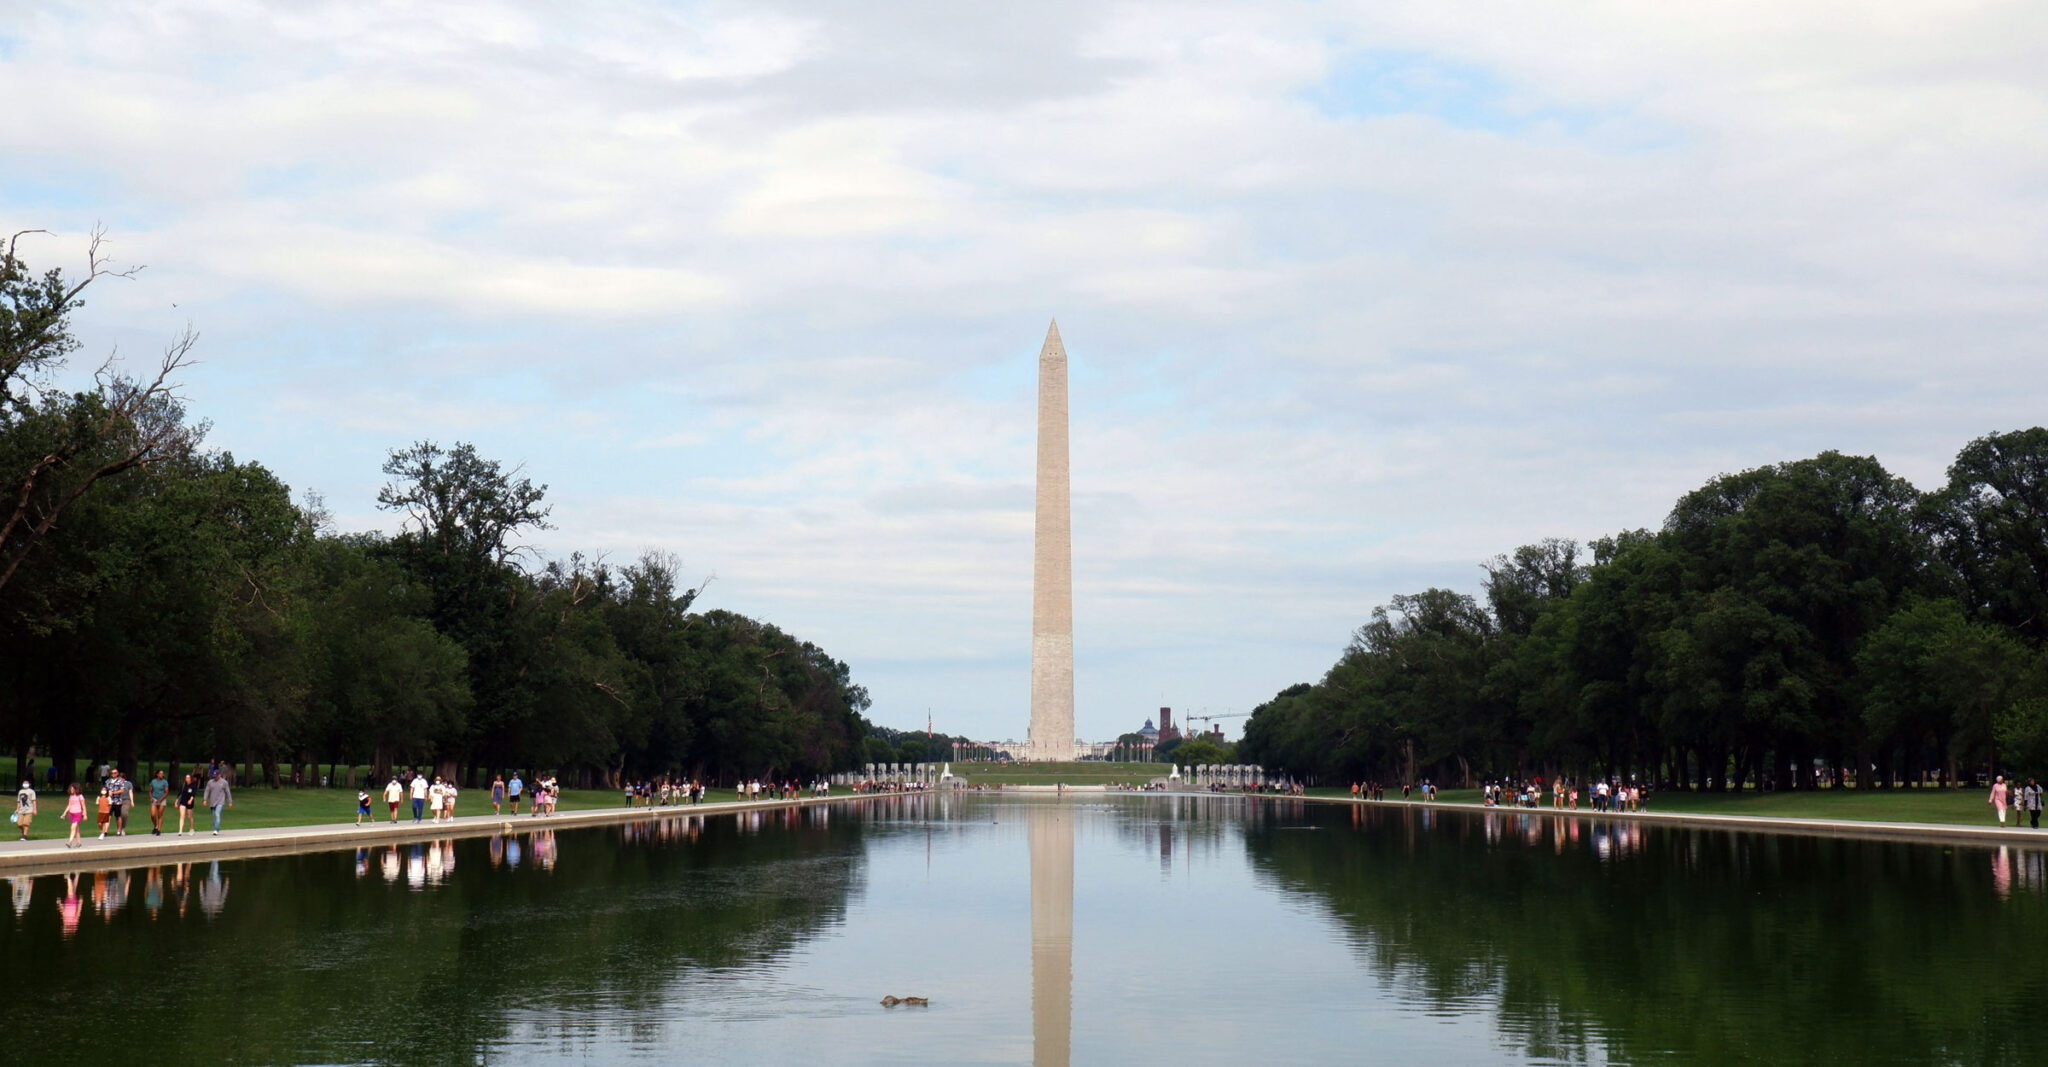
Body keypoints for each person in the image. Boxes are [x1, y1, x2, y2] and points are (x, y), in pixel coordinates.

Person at [203, 771, 233, 836]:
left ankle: (216, 830)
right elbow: (207, 791)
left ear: (219, 775)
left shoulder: (224, 782)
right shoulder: (210, 782)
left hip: (220, 801)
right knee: (214, 816)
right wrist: (205, 799)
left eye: (216, 776)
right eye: (214, 776)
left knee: (217, 814)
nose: (215, 777)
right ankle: (216, 828)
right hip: (212, 802)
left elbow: (228, 792)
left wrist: (230, 801)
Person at [64, 783, 86, 848]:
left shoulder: (80, 796)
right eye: (71, 789)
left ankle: (70, 841)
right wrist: (64, 813)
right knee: (76, 829)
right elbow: (69, 805)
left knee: (73, 827)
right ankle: (79, 843)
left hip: (78, 813)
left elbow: (83, 806)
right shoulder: (71, 796)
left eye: (73, 789)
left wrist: (85, 814)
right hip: (71, 813)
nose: (71, 790)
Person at [148, 770, 169, 835]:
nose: (162, 775)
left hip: (162, 799)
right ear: (157, 774)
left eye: (162, 773)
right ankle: (155, 826)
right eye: (160, 773)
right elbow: (150, 791)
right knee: (153, 814)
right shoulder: (153, 781)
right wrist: (151, 797)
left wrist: (161, 799)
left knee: (160, 815)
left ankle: (159, 830)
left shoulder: (164, 782)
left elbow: (166, 792)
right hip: (154, 799)